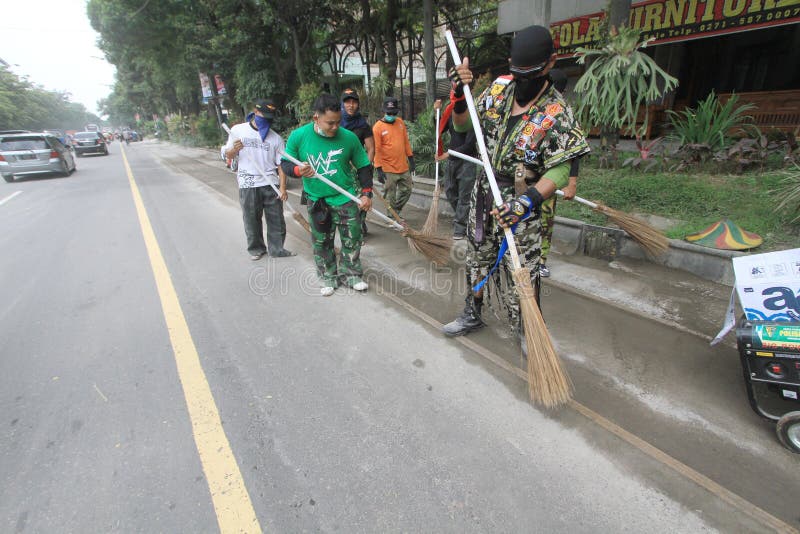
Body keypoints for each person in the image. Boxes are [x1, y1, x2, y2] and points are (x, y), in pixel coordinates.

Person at [442, 25, 590, 342]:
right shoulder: (498, 90)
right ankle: (472, 312)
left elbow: (560, 171)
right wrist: (459, 97)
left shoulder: (557, 112)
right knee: (477, 257)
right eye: (517, 72)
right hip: (485, 194)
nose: (523, 80)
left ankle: (526, 329)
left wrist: (526, 203)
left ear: (550, 63)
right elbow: (463, 125)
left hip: (525, 199)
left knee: (524, 269)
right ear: (510, 64)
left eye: (531, 73)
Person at [281, 94, 374, 297]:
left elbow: (364, 166)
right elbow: (285, 163)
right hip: (317, 199)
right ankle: (328, 276)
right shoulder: (299, 136)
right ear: (316, 118)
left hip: (346, 197)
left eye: (338, 122)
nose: (335, 127)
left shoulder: (348, 137)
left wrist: (366, 193)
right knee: (322, 241)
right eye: (330, 123)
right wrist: (298, 171)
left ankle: (351, 274)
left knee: (353, 238)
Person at [224, 98, 294, 260]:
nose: (267, 119)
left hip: (271, 184)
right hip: (248, 183)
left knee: (276, 219)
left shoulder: (276, 138)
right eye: (264, 114)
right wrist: (234, 149)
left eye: (270, 116)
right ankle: (256, 249)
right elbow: (228, 155)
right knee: (251, 219)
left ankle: (277, 249)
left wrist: (282, 188)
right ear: (255, 112)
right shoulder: (238, 131)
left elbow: (281, 165)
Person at [537, 68, 581, 278]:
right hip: (526, 178)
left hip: (549, 180)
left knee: (545, 221)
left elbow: (573, 153)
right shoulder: (534, 111)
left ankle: (541, 260)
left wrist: (571, 183)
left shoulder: (563, 114)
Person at [433, 96, 477, 240]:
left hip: (467, 161)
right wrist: (437, 113)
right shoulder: (451, 113)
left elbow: (470, 145)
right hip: (452, 161)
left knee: (464, 196)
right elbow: (440, 128)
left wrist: (447, 154)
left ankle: (460, 228)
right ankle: (463, 219)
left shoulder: (472, 116)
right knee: (451, 192)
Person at [372, 96, 415, 222]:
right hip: (387, 167)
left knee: (407, 190)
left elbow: (406, 142)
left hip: (403, 166)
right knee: (390, 195)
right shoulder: (377, 127)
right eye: (389, 113)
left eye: (393, 113)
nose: (391, 115)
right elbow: (377, 149)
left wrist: (411, 158)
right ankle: (392, 217)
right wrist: (378, 168)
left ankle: (396, 211)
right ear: (384, 111)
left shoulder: (400, 123)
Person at [340, 88, 375, 235]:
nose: (351, 105)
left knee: (363, 198)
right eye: (347, 102)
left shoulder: (363, 125)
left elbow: (371, 148)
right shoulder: (335, 123)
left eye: (354, 102)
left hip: (359, 168)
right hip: (341, 168)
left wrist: (365, 168)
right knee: (346, 199)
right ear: (342, 104)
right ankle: (350, 225)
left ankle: (360, 225)